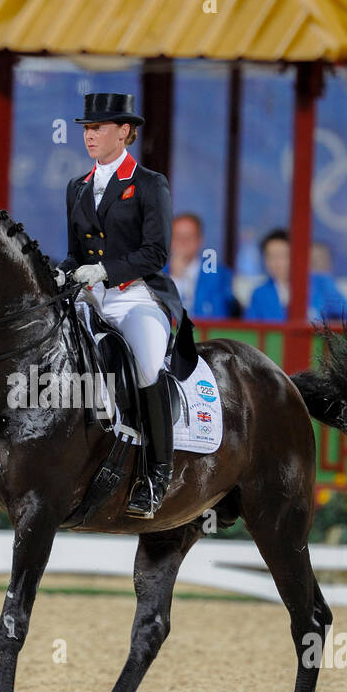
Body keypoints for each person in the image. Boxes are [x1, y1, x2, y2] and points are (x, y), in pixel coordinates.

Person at [56, 92, 199, 519]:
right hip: (90, 299)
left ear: (124, 132)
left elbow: (156, 252)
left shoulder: (150, 184)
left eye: (98, 128)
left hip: (137, 296)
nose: (89, 136)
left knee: (148, 364)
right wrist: (62, 273)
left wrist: (105, 272)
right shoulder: (77, 188)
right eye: (86, 129)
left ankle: (157, 474)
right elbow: (75, 254)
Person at [244, 230, 347, 323]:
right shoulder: (260, 293)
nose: (275, 262)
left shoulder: (321, 284)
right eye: (270, 256)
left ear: (296, 255)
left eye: (282, 255)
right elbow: (251, 332)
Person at [168, 212, 240, 319]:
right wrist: (176, 280)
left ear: (200, 240)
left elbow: (218, 317)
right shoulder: (154, 275)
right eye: (177, 236)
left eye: (189, 237)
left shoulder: (218, 275)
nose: (183, 242)